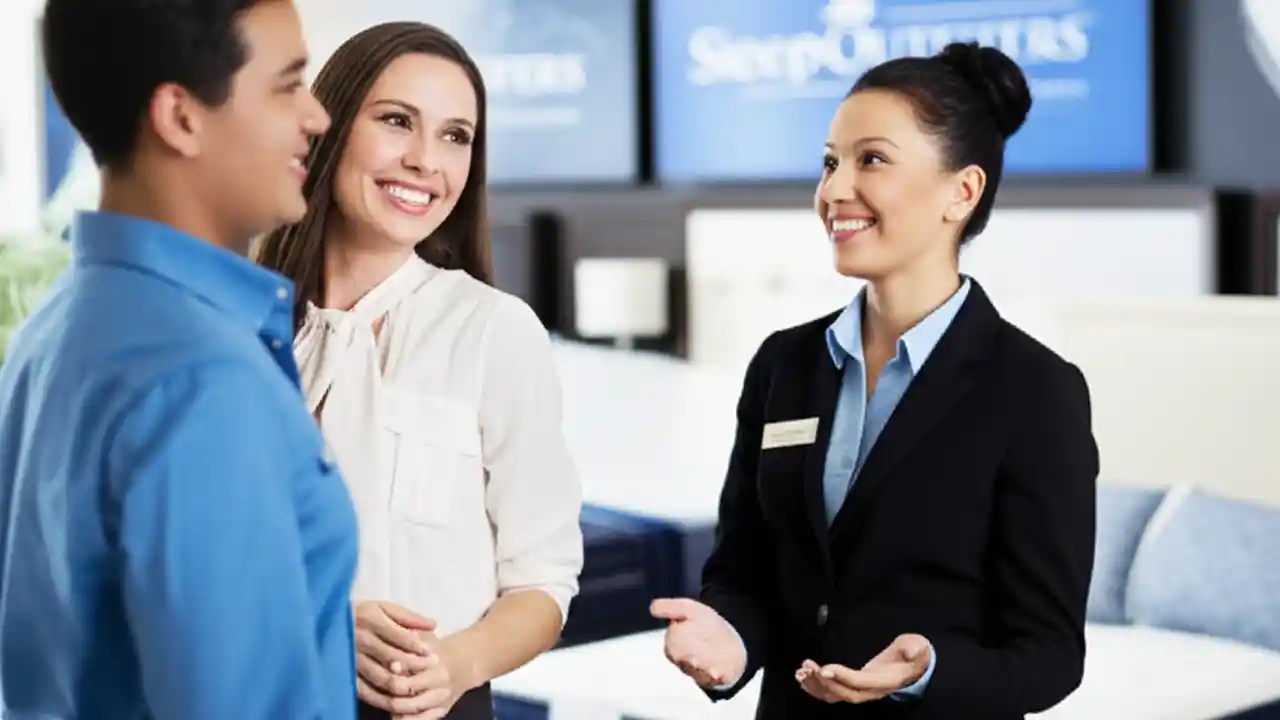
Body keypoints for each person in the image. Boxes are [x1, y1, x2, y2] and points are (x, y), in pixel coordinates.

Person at [651, 41, 1099, 719]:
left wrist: (927, 672)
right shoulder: (784, 364)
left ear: (962, 191)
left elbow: (1049, 656)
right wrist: (731, 641)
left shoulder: (1034, 391)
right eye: (830, 163)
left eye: (872, 160)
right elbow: (745, 573)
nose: (834, 191)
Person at [0, 1, 359, 718]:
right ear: (180, 117)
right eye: (288, 85)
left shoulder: (57, 329)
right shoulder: (204, 379)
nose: (317, 117)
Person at [256, 21, 584, 720]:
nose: (425, 161)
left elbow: (544, 583)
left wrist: (457, 663)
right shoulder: (239, 327)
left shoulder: (493, 331)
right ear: (330, 126)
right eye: (397, 121)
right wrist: (318, 624)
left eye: (455, 136)